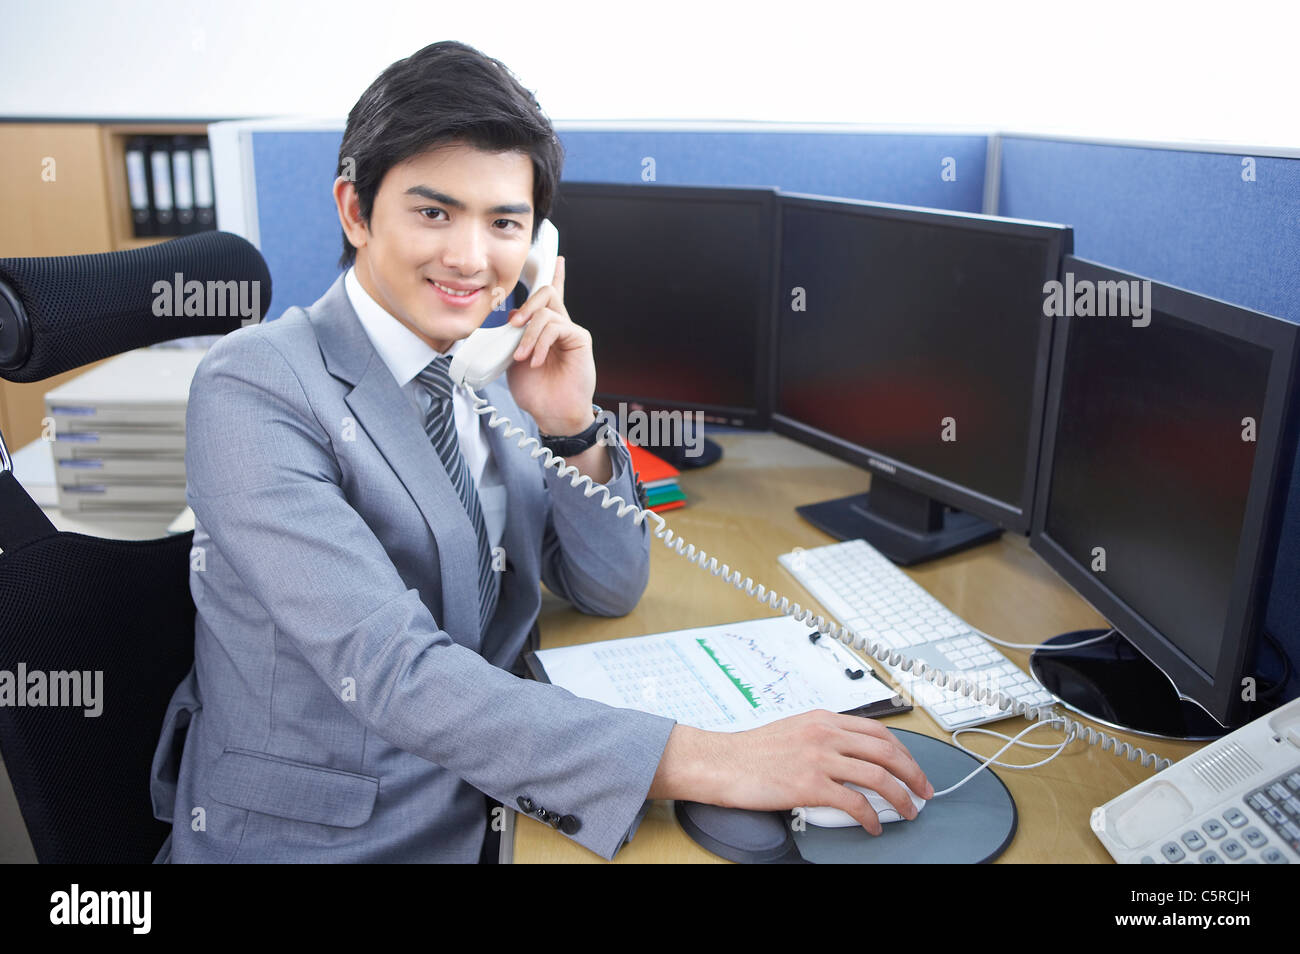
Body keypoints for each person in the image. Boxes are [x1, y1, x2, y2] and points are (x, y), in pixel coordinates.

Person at [149, 40, 931, 863]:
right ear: (354, 210)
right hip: (342, 832)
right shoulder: (257, 386)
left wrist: (572, 425)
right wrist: (720, 759)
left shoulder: (490, 372)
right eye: (433, 212)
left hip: (496, 784)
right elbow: (391, 672)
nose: (470, 258)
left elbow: (609, 588)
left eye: (504, 223)